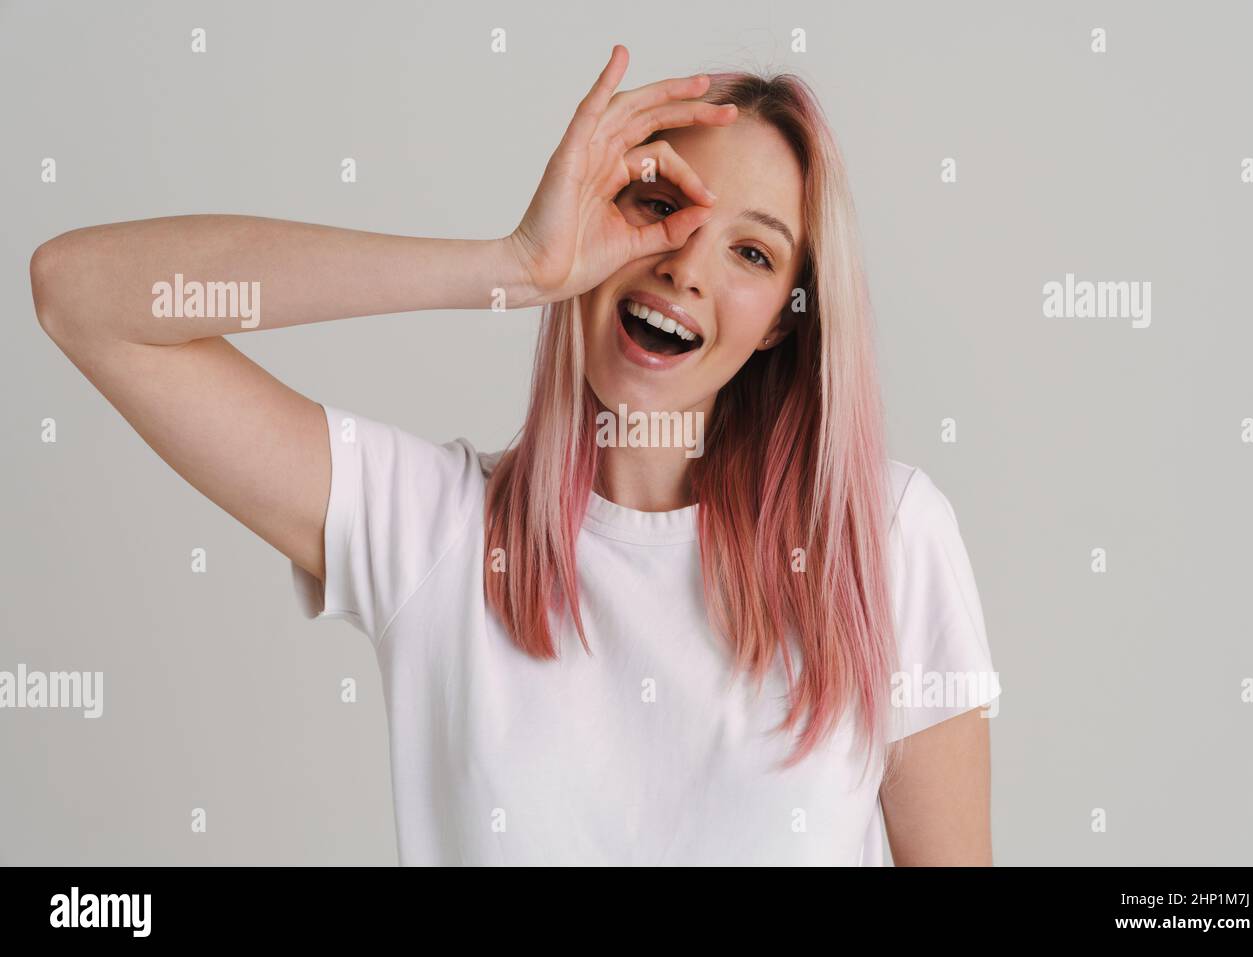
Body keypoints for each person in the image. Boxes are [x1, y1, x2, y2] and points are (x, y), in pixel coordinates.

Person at [30, 44, 1001, 866]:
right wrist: (510, 269)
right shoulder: (432, 533)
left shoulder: (881, 537)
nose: (685, 267)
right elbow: (82, 295)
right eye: (662, 206)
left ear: (785, 326)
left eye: (752, 254)